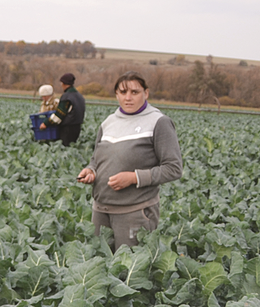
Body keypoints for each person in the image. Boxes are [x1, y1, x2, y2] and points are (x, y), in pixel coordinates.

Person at [76, 72, 182, 249]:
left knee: (129, 271)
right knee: (99, 266)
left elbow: (174, 168)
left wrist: (134, 178)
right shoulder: (108, 122)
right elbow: (97, 158)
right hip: (101, 211)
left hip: (135, 212)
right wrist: (91, 171)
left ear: (146, 93)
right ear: (116, 94)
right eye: (123, 92)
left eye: (135, 92)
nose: (128, 98)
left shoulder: (159, 122)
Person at [40, 72, 85, 145]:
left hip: (68, 129)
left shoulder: (66, 97)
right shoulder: (80, 96)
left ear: (64, 84)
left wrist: (46, 123)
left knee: (64, 149)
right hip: (77, 127)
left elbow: (59, 115)